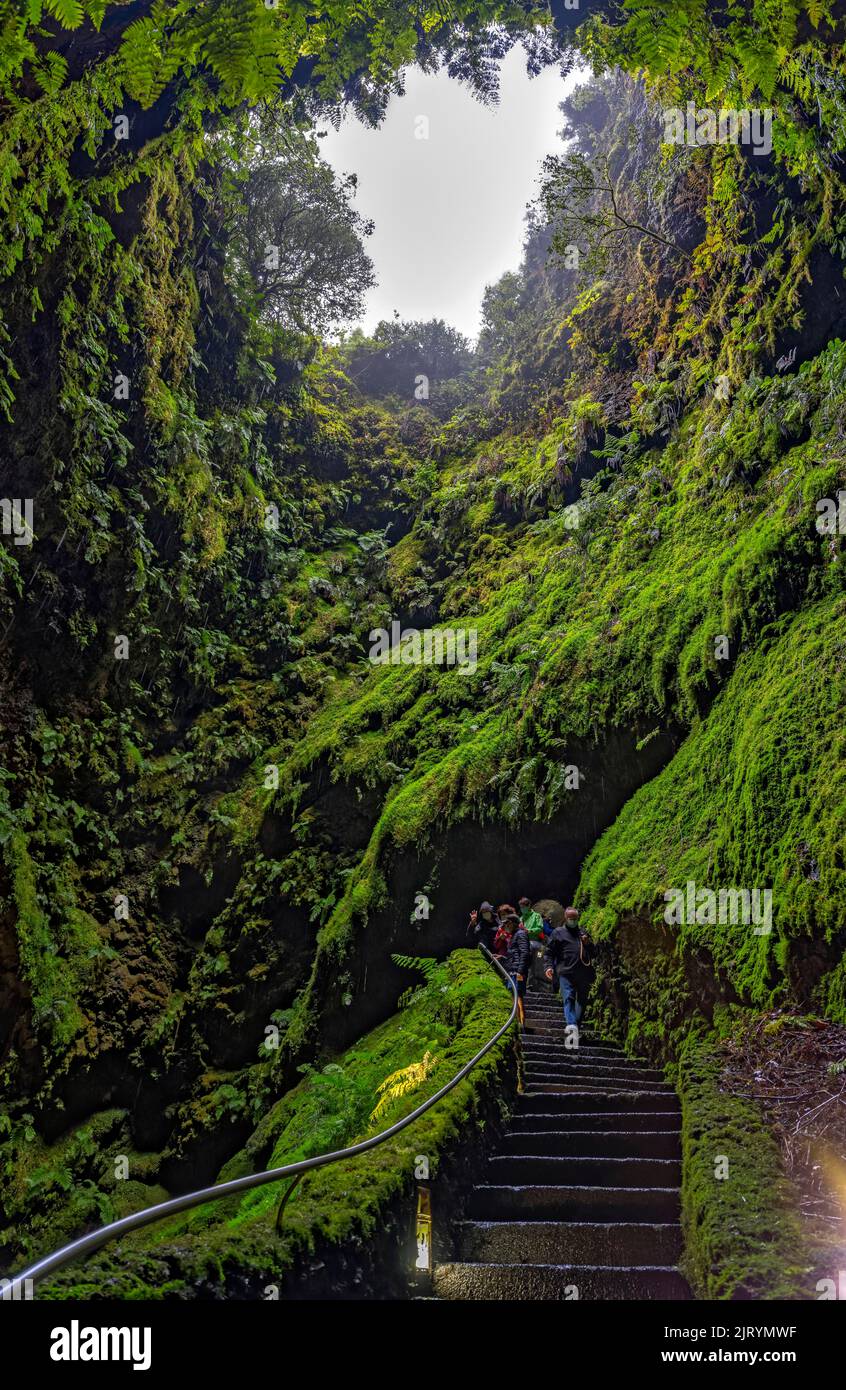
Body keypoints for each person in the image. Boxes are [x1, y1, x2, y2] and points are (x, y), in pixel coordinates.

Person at [544, 906, 593, 1028]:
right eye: (570, 918)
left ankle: (575, 1025)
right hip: (565, 972)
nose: (573, 920)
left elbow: (594, 952)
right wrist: (548, 966)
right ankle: (571, 1025)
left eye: (575, 918)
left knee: (582, 1000)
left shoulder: (583, 933)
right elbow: (549, 951)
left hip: (583, 973)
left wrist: (588, 943)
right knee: (569, 997)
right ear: (565, 918)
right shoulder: (558, 932)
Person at [502, 910, 530, 1026]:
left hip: (517, 972)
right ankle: (516, 1022)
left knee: (518, 996)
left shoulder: (521, 934)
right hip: (512, 970)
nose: (505, 926)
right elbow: (515, 953)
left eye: (507, 923)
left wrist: (520, 971)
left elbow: (524, 952)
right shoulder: (514, 935)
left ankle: (520, 1023)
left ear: (513, 923)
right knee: (514, 995)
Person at [518, 896, 545, 988]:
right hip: (525, 944)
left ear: (529, 905)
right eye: (521, 907)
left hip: (538, 945)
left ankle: (537, 984)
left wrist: (529, 931)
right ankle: (527, 984)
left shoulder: (536, 916)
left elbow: (540, 928)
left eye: (524, 906)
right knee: (526, 963)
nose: (522, 909)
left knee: (538, 961)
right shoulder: (521, 919)